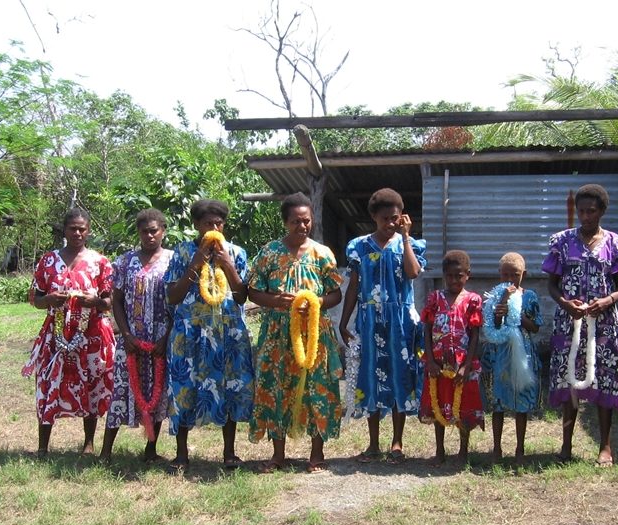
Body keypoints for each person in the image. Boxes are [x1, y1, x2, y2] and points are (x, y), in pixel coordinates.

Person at [248, 192, 344, 473]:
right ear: (285, 222)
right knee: (277, 388)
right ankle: (278, 455)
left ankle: (317, 454)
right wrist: (276, 301)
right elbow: (253, 290)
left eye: (306, 221)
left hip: (314, 333)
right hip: (278, 333)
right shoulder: (269, 253)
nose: (301, 227)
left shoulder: (322, 254)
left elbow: (335, 294)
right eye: (295, 222)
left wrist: (314, 304)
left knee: (318, 388)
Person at [542, 184, 618, 467]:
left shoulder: (615, 245)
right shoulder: (561, 242)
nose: (585, 217)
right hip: (570, 323)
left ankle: (605, 446)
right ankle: (566, 445)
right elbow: (552, 285)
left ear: (602, 211)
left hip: (604, 326)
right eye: (581, 211)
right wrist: (566, 304)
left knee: (605, 379)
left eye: (591, 211)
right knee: (570, 378)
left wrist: (606, 301)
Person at [164, 199, 254, 472]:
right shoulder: (182, 252)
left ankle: (229, 451)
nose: (214, 228)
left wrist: (228, 265)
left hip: (228, 331)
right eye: (207, 224)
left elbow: (241, 296)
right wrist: (195, 264)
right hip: (191, 330)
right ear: (196, 226)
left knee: (230, 387)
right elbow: (173, 296)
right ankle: (181, 452)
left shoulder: (236, 252)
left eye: (219, 224)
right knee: (184, 387)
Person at [339, 188, 426, 465]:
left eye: (396, 218)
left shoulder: (408, 244)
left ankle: (397, 442)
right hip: (369, 321)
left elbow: (413, 273)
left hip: (400, 322)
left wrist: (406, 237)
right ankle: (373, 443)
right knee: (371, 377)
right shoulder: (359, 247)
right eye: (385, 218)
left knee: (401, 377)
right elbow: (353, 285)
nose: (390, 223)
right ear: (373, 217)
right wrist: (344, 320)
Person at [22, 208, 115, 457]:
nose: (77, 232)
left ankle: (88, 443)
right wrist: (50, 299)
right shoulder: (49, 261)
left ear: (89, 231)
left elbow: (109, 302)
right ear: (64, 230)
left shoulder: (99, 262)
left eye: (82, 228)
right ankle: (43, 446)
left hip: (91, 335)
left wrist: (93, 301)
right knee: (48, 384)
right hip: (56, 335)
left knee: (92, 384)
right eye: (73, 228)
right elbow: (35, 297)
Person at [99, 208, 173, 464]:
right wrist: (126, 334)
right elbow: (115, 300)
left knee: (158, 391)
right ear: (139, 233)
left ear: (163, 230)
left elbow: (177, 303)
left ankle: (150, 451)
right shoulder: (124, 262)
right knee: (121, 390)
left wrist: (167, 338)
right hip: (131, 340)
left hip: (160, 340)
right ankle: (105, 453)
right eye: (145, 231)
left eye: (154, 230)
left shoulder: (172, 261)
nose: (150, 235)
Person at [419, 250, 484, 466]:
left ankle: (463, 451)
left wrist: (466, 366)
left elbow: (475, 334)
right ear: (444, 275)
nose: (454, 280)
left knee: (463, 405)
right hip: (438, 363)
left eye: (459, 276)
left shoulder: (473, 300)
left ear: (468, 275)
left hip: (462, 364)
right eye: (450, 275)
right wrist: (430, 360)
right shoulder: (435, 298)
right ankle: (440, 450)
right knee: (439, 400)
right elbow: (427, 330)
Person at [480, 252, 543, 465]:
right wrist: (500, 310)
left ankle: (520, 449)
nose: (509, 279)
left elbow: (535, 327)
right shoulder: (494, 297)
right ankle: (496, 448)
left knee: (521, 403)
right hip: (499, 355)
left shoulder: (530, 297)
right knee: (497, 403)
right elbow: (492, 326)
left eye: (514, 274)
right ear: (499, 274)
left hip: (522, 354)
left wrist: (518, 315)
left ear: (523, 274)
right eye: (505, 274)